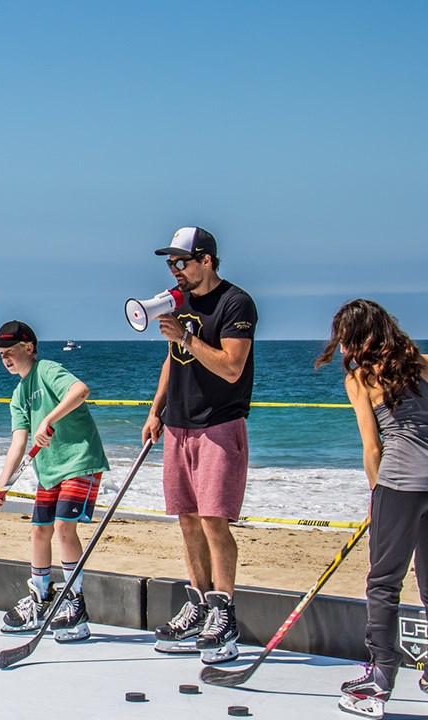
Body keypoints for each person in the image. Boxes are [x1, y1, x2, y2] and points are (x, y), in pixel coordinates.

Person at [141, 226, 258, 665]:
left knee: (214, 520)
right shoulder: (181, 301)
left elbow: (231, 367)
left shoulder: (236, 302)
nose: (175, 271)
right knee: (187, 519)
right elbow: (173, 360)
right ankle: (199, 602)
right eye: (170, 264)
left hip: (220, 424)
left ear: (206, 260)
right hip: (179, 425)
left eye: (181, 262)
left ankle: (223, 612)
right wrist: (156, 410)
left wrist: (186, 336)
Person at [314, 299, 428, 718]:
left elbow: (372, 448)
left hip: (399, 484)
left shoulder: (361, 378)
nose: (342, 349)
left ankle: (380, 677)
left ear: (358, 338)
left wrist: (376, 496)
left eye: (345, 339)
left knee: (384, 583)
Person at [0, 320, 109, 642]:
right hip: (49, 472)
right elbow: (18, 443)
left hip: (79, 462)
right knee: (40, 531)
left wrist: (50, 419)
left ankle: (74, 602)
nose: (5, 359)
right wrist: (1, 486)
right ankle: (41, 598)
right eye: (1, 355)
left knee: (65, 528)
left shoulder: (48, 370)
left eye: (10, 352)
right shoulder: (17, 395)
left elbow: (80, 391)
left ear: (29, 348)